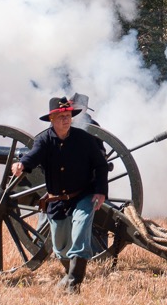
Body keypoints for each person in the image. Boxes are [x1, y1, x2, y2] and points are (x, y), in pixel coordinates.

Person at [11, 96, 109, 293]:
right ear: (52, 120)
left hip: (83, 196)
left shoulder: (84, 139)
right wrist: (22, 164)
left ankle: (74, 285)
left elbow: (100, 164)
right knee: (61, 247)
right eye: (61, 116)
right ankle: (69, 275)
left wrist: (100, 191)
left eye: (68, 116)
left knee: (81, 233)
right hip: (57, 200)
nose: (66, 119)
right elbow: (33, 155)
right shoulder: (45, 140)